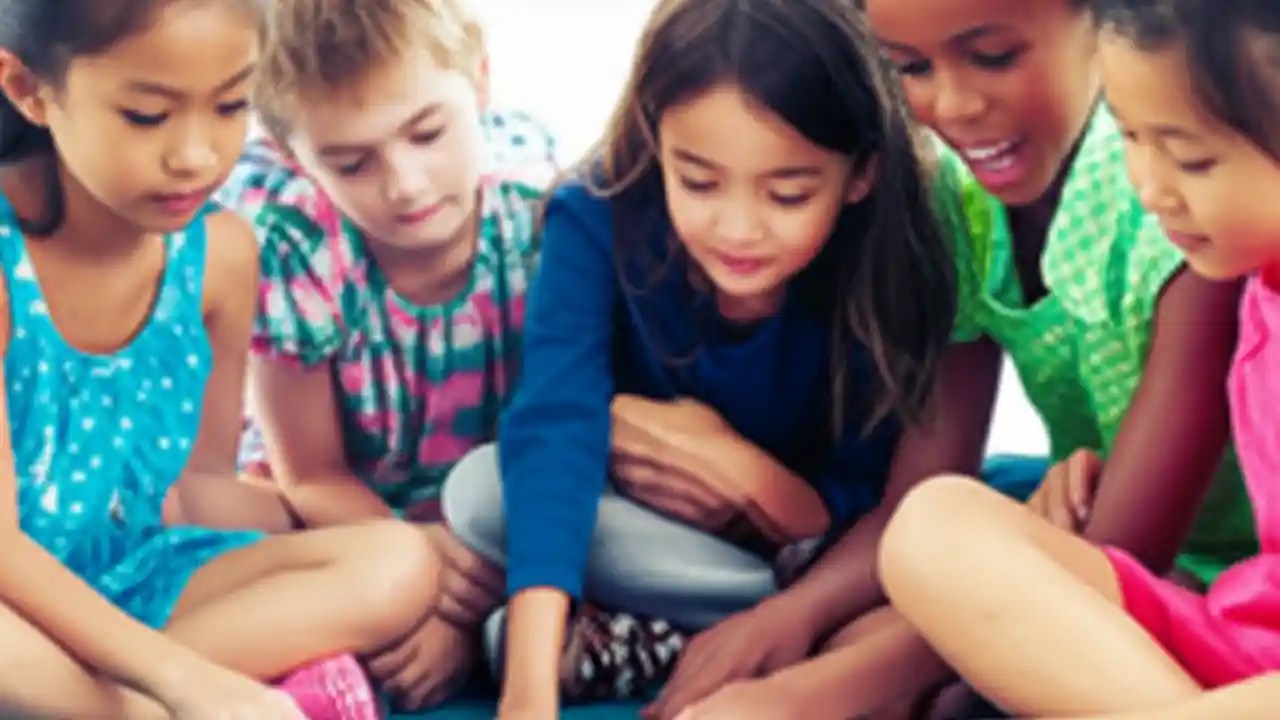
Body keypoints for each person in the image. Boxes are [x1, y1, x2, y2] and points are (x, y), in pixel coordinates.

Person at [439, 0, 975, 717]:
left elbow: (885, 499)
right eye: (697, 181)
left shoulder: (905, 247)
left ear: (860, 176)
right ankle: (653, 627)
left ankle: (712, 634)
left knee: (939, 555)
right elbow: (555, 426)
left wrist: (755, 489)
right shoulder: (595, 209)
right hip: (652, 531)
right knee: (481, 491)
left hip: (811, 553)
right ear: (656, 140)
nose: (738, 229)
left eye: (788, 194)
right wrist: (527, 689)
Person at [0, 1, 437, 717]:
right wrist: (185, 682)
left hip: (133, 576)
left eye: (232, 104)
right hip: (11, 602)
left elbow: (197, 487)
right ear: (28, 91)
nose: (197, 155)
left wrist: (306, 505)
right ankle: (139, 707)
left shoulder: (222, 256)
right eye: (148, 115)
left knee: (401, 561)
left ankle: (78, 703)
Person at [878, 1, 1280, 718]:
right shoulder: (1257, 285)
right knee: (932, 528)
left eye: (1191, 158)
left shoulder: (1210, 272)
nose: (1150, 188)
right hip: (1235, 631)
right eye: (1126, 135)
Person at [206, 0, 558, 710]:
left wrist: (457, 614)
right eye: (351, 162)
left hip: (506, 513)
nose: (406, 184)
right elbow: (311, 472)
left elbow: (565, 436)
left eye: (428, 132)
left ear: (480, 83)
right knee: (230, 526)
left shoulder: (536, 203)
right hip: (344, 515)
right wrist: (425, 580)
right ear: (290, 154)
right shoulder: (293, 244)